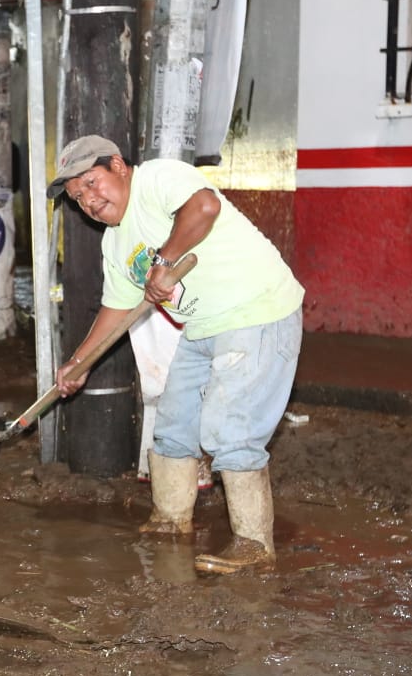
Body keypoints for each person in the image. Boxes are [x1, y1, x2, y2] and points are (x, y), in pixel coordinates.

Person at [50, 135, 304, 575]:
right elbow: (118, 309)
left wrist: (164, 261)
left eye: (92, 183)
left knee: (230, 430)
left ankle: (254, 544)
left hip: (256, 312)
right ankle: (170, 519)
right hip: (205, 326)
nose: (89, 201)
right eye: (78, 198)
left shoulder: (158, 179)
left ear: (119, 166)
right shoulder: (114, 242)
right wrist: (80, 363)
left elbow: (204, 207)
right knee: (173, 426)